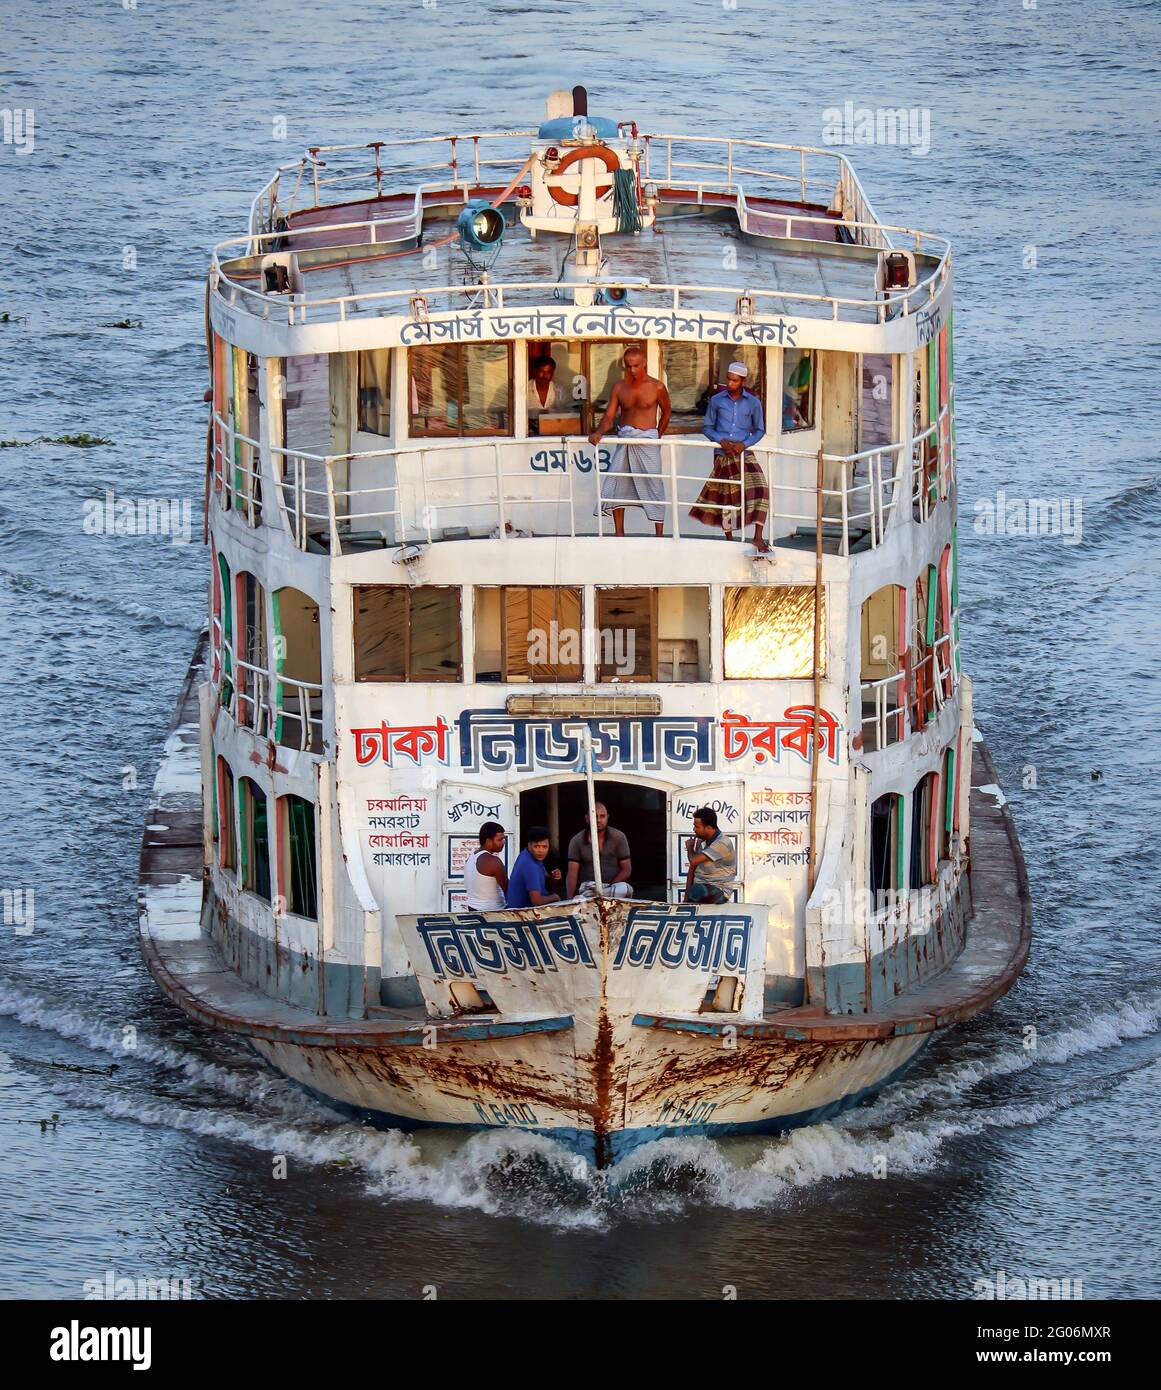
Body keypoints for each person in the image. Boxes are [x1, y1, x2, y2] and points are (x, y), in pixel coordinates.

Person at [587, 346, 671, 536]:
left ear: (644, 364)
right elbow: (609, 416)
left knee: (654, 485)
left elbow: (666, 412)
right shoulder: (619, 387)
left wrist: (658, 434)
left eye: (636, 366)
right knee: (616, 481)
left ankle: (659, 534)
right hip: (625, 438)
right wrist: (599, 431)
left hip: (648, 441)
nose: (632, 370)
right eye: (628, 366)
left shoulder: (657, 386)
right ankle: (619, 532)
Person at [688, 361, 769, 551]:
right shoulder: (716, 400)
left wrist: (744, 444)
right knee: (727, 497)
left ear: (742, 381)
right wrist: (720, 441)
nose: (730, 383)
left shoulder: (753, 402)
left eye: (735, 381)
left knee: (761, 490)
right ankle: (729, 539)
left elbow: (759, 430)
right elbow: (707, 427)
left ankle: (758, 537)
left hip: (744, 453)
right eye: (729, 379)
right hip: (722, 453)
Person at [565, 802, 633, 898]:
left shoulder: (619, 837)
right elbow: (572, 873)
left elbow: (626, 869)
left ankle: (593, 897)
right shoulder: (576, 840)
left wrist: (608, 887)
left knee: (626, 889)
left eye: (602, 816)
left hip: (613, 887)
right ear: (587, 818)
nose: (598, 820)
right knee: (586, 893)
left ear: (607, 817)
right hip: (589, 887)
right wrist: (569, 899)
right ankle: (589, 897)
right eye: (594, 816)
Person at [684, 807, 737, 904]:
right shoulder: (703, 841)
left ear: (708, 827)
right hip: (700, 887)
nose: (694, 829)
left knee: (697, 890)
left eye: (697, 826)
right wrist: (685, 899)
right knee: (696, 890)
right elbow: (692, 868)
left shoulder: (722, 843)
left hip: (719, 890)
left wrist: (690, 848)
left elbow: (693, 860)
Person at [505, 825, 563, 909]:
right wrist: (554, 898)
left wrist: (554, 877)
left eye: (544, 847)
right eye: (536, 846)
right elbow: (537, 901)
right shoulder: (529, 865)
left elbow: (547, 884)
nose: (541, 851)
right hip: (521, 915)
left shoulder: (528, 855)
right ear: (529, 846)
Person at [463, 821, 508, 911]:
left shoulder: (471, 858)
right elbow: (508, 889)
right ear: (488, 841)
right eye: (499, 840)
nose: (503, 842)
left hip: (473, 910)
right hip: (493, 914)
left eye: (503, 839)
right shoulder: (493, 861)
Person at [527, 354, 567, 421]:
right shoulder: (524, 389)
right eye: (541, 371)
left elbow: (571, 412)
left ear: (553, 373)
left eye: (549, 372)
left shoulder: (560, 389)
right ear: (535, 371)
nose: (545, 375)